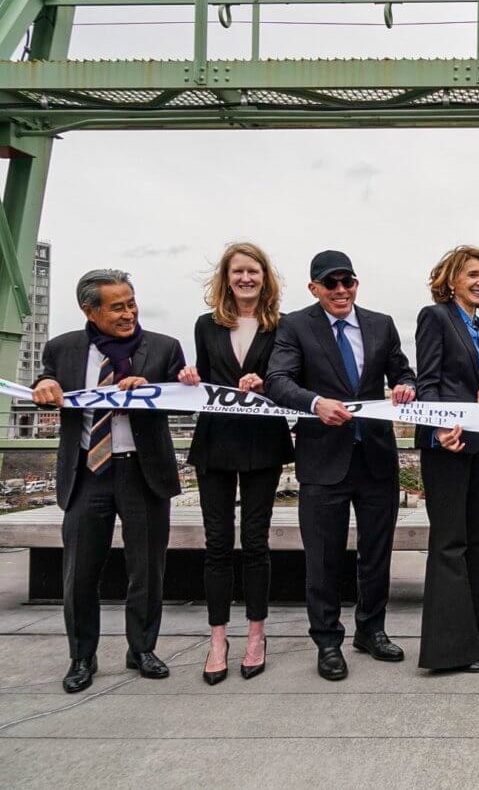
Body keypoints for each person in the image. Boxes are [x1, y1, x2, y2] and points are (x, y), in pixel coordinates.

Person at [264, 250, 417, 681]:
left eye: (347, 281)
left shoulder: (381, 324)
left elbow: (403, 372)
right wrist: (314, 403)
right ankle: (327, 642)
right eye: (330, 283)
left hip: (375, 459)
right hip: (322, 461)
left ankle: (371, 630)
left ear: (356, 283)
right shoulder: (295, 325)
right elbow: (278, 382)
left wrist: (405, 386)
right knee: (324, 560)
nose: (340, 290)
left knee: (376, 556)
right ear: (314, 288)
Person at [32, 269, 186, 693]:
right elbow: (42, 382)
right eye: (117, 306)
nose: (128, 313)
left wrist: (152, 389)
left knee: (147, 569)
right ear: (90, 310)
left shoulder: (164, 347)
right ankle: (82, 656)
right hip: (87, 473)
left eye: (131, 302)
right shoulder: (62, 349)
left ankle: (142, 649)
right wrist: (44, 382)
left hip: (144, 472)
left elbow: (181, 399)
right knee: (79, 572)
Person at [177, 243, 295, 684]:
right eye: (238, 271)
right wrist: (191, 378)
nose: (246, 278)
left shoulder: (283, 326)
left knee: (256, 541)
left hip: (263, 443)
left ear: (265, 277)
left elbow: (289, 380)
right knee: (218, 544)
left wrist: (266, 383)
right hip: (215, 443)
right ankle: (218, 638)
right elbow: (206, 380)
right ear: (225, 278)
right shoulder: (205, 325)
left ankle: (256, 635)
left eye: (254, 271)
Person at [415, 245, 479, 673]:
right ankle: (448, 651)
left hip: (477, 445)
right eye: (472, 274)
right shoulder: (434, 318)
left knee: (478, 541)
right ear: (452, 280)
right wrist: (437, 427)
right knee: (449, 543)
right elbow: (427, 380)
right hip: (445, 445)